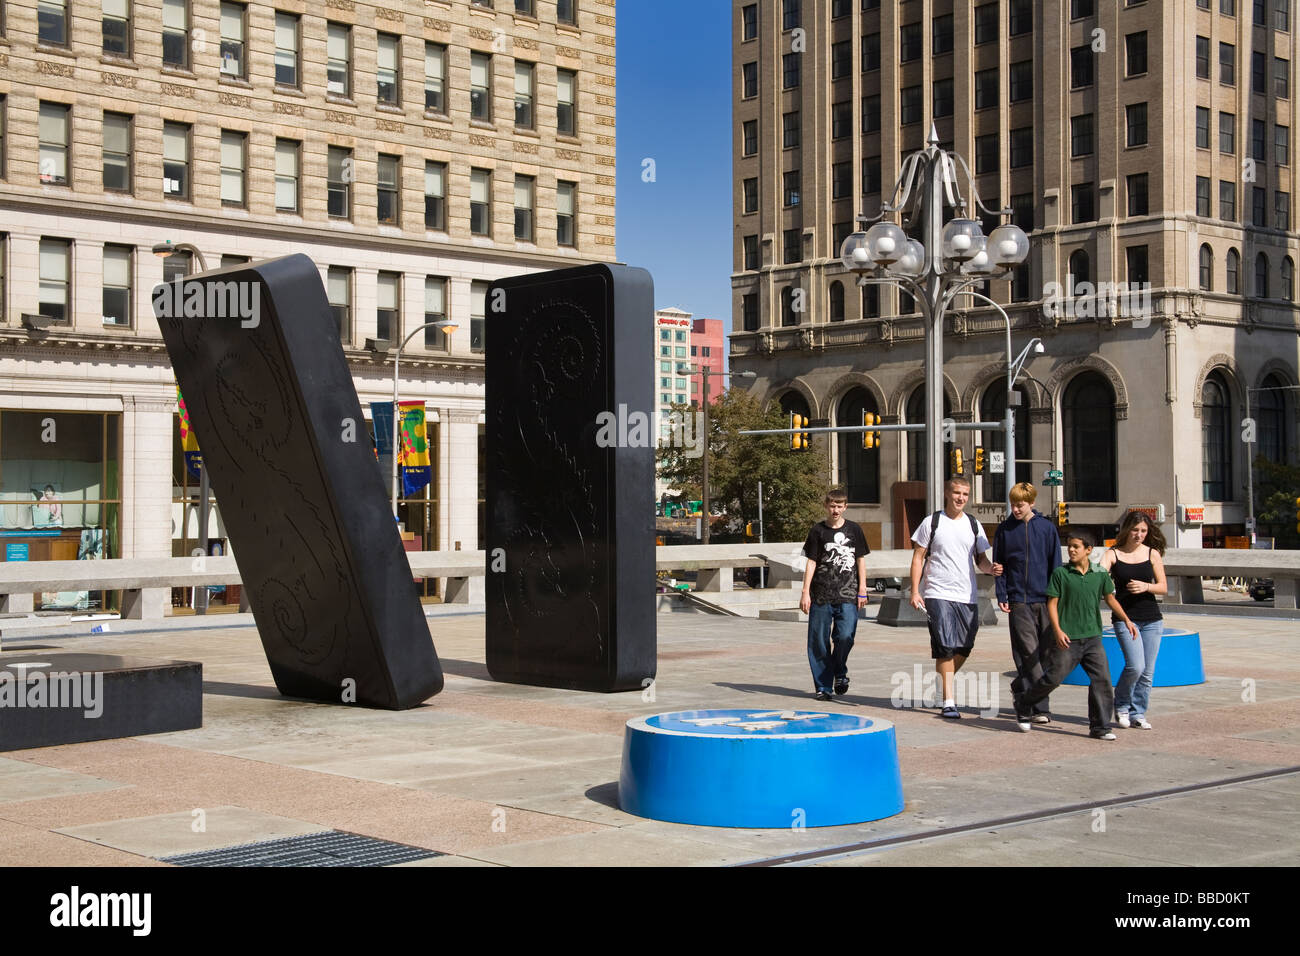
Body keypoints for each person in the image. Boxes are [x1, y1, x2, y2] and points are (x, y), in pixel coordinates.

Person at [1017, 529, 1139, 739]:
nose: (1071, 550)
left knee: (1101, 681)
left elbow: (1110, 599)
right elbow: (1052, 604)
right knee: (1053, 679)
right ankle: (1024, 703)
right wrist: (1057, 630)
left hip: (1093, 638)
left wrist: (1127, 620)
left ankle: (1100, 727)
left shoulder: (1100, 574)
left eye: (1076, 546)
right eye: (1069, 546)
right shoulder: (1061, 574)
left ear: (1089, 550)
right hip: (1068, 639)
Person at [908, 476, 996, 719]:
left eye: (965, 495)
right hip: (937, 592)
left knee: (965, 646)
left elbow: (981, 560)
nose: (961, 498)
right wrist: (915, 591)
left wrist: (992, 569)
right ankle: (948, 700)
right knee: (945, 646)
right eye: (957, 493)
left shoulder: (973, 524)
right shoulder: (932, 522)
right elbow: (918, 557)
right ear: (947, 493)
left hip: (966, 594)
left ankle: (942, 682)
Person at [991, 482, 1062, 725]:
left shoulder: (1047, 529)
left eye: (1020, 504)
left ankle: (1020, 688)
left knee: (1047, 656)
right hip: (1018, 600)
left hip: (1045, 600)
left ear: (1031, 502)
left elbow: (1056, 566)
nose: (1016, 509)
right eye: (1013, 504)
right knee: (1027, 654)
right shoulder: (1004, 530)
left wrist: (1057, 598)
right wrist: (1002, 595)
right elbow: (998, 566)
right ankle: (1039, 708)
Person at [800, 487, 870, 702]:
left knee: (845, 636)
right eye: (832, 506)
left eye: (840, 506)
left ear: (845, 507)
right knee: (818, 641)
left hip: (848, 593)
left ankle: (839, 671)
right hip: (821, 594)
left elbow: (860, 560)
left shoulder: (854, 530)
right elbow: (811, 562)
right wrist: (805, 592)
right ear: (826, 506)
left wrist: (862, 589)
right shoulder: (817, 531)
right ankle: (823, 686)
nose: (836, 510)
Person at [1099, 511, 1167, 730]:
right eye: (1135, 530)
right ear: (1127, 529)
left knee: (1148, 672)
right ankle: (1121, 706)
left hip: (1152, 619)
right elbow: (1099, 578)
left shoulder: (1153, 554)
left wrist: (1146, 586)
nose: (1139, 535)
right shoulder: (1113, 554)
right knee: (1135, 666)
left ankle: (1138, 713)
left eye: (1144, 531)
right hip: (1125, 618)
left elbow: (1163, 587)